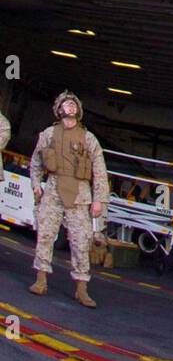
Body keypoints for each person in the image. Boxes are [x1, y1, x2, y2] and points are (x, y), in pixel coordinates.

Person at [28, 91, 109, 307]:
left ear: (79, 110)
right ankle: (41, 279)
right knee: (45, 235)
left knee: (81, 242)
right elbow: (36, 161)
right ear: (59, 109)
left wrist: (99, 199)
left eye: (74, 104)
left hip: (80, 194)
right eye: (66, 104)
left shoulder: (88, 138)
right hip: (53, 191)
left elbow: (100, 170)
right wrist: (36, 185)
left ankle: (81, 289)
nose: (71, 107)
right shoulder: (48, 134)